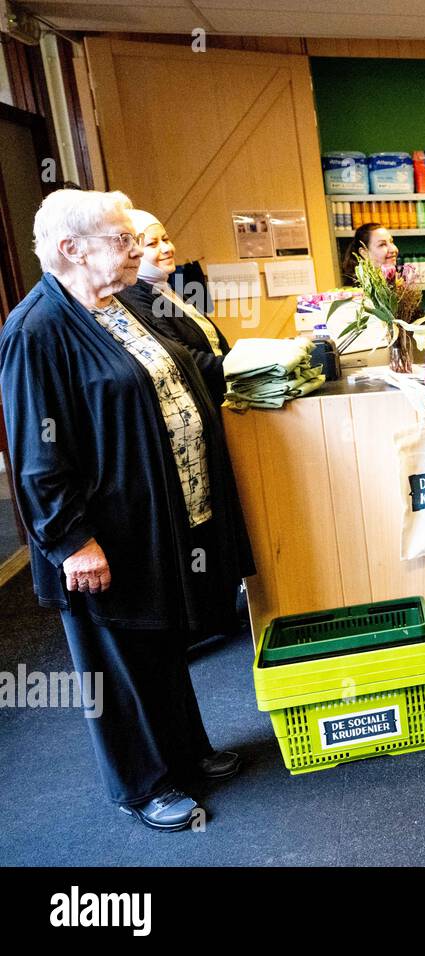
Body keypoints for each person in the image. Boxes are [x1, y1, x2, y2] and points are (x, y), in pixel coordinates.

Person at [0, 189, 254, 831]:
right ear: (71, 249)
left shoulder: (116, 304)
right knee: (114, 661)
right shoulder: (36, 330)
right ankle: (144, 784)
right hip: (100, 534)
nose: (137, 248)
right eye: (122, 239)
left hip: (156, 516)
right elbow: (36, 451)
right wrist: (71, 541)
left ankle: (187, 755)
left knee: (161, 642)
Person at [116, 208, 230, 405]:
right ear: (133, 253)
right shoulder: (133, 295)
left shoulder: (168, 288)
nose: (167, 248)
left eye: (166, 239)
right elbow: (180, 355)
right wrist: (240, 364)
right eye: (153, 243)